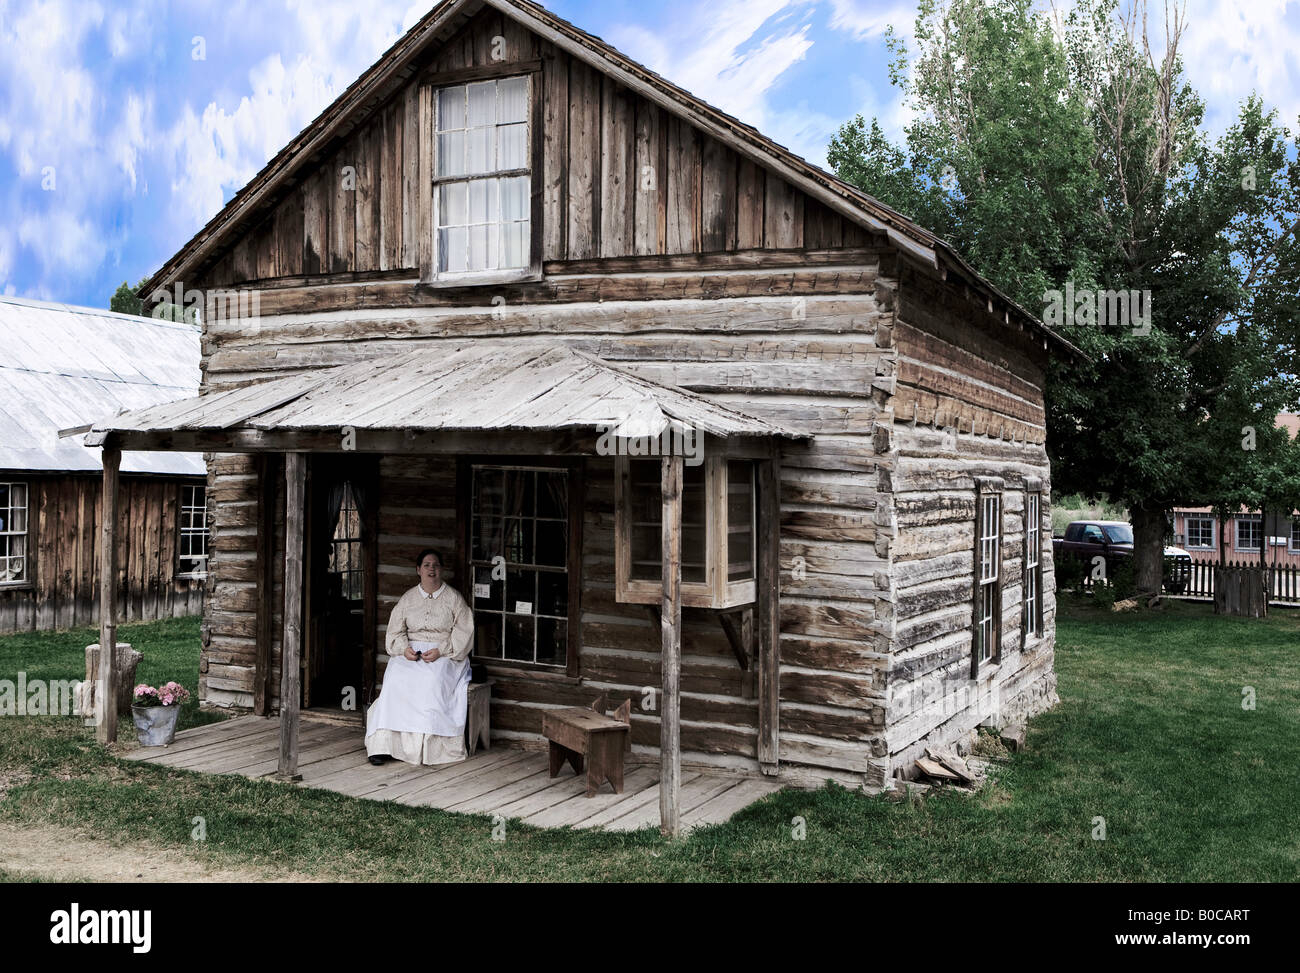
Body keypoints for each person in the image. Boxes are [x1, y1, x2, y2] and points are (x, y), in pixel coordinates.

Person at [365, 548, 475, 766]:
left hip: (445, 653)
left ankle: (424, 748)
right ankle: (384, 746)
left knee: (431, 681)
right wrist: (404, 649)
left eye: (435, 565)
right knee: (395, 680)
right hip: (411, 653)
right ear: (418, 570)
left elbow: (464, 631)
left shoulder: (454, 599)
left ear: (441, 569)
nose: (431, 569)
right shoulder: (408, 599)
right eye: (426, 565)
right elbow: (395, 631)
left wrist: (441, 650)